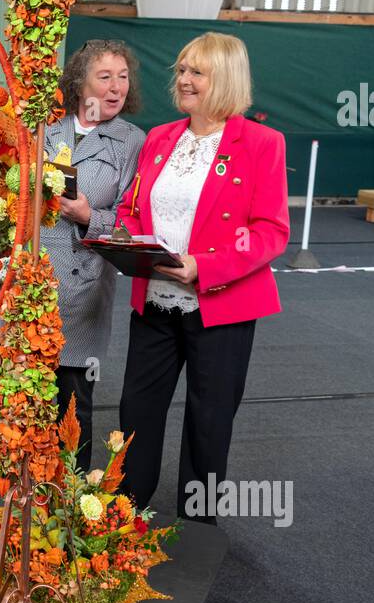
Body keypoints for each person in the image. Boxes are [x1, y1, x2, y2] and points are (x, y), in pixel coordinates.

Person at [115, 32, 289, 523]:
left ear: (225, 79)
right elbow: (132, 210)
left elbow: (271, 231)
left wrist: (203, 266)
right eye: (182, 70)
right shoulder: (160, 138)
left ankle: (198, 530)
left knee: (209, 424)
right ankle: (125, 515)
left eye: (197, 72)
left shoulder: (262, 144)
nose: (184, 80)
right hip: (153, 302)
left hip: (222, 308)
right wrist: (129, 243)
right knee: (135, 413)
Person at [0, 39, 144, 470]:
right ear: (79, 83)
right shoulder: (45, 133)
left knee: (73, 407)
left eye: (122, 77)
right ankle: (21, 489)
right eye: (104, 76)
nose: (115, 87)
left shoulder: (133, 143)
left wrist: (91, 216)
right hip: (29, 282)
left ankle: (67, 499)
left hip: (82, 287)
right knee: (21, 396)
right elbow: (9, 195)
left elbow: (134, 223)